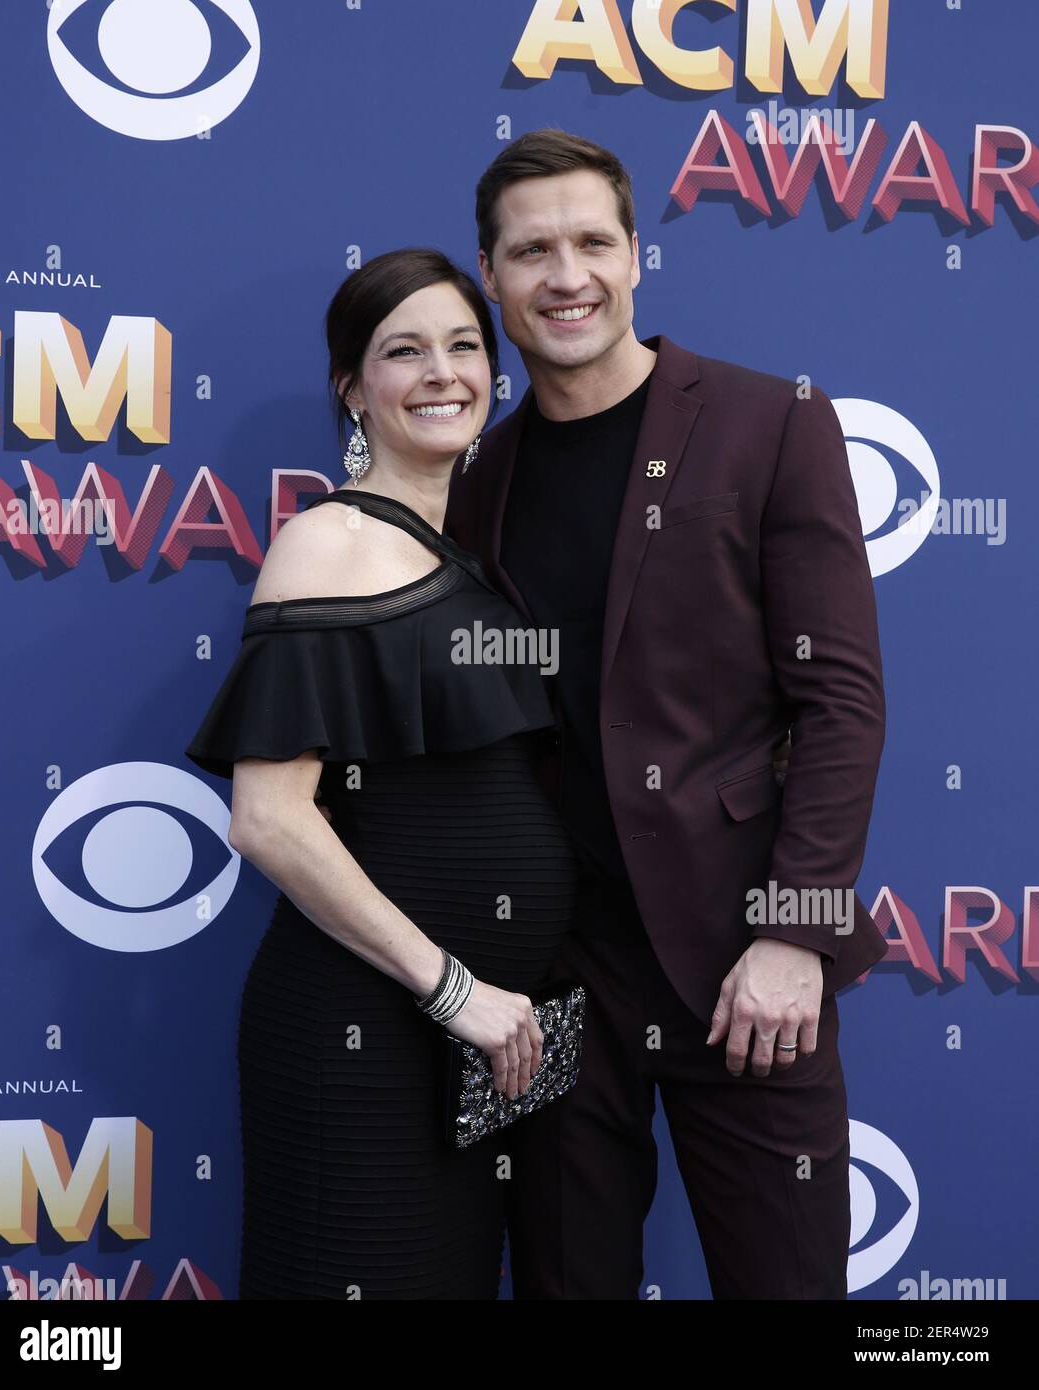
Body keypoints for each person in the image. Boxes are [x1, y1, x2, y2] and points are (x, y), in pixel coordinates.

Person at [445, 127, 889, 1299]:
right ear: (489, 276)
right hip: (552, 975)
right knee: (560, 1281)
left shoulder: (769, 422)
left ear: (638, 255)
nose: (566, 275)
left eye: (592, 240)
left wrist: (794, 932)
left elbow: (840, 699)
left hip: (746, 960)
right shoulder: (478, 478)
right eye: (530, 251)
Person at [184, 249, 579, 1300]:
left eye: (463, 345)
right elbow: (268, 820)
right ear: (352, 389)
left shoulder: (474, 555)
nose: (442, 371)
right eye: (404, 351)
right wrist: (456, 991)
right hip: (362, 1037)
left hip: (476, 1054)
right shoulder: (328, 543)